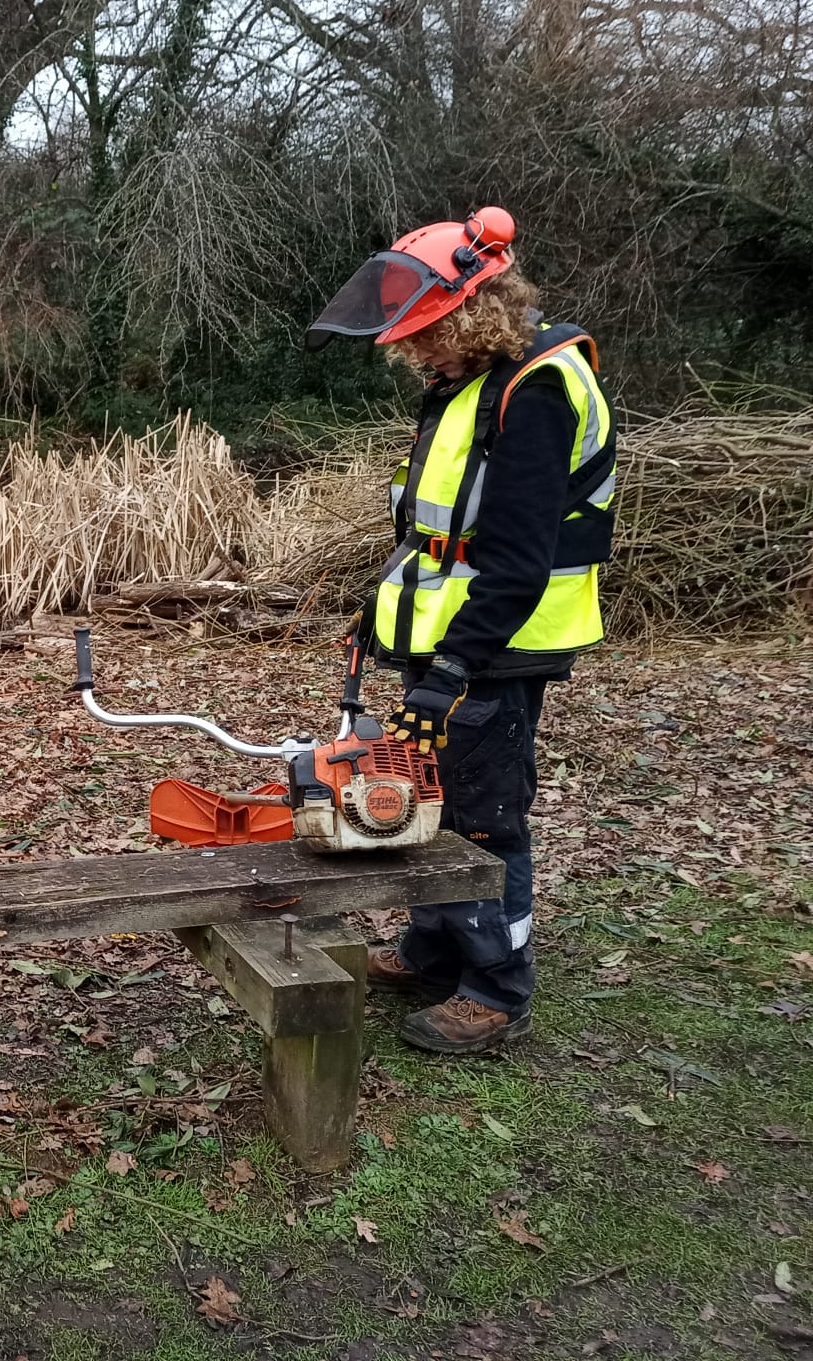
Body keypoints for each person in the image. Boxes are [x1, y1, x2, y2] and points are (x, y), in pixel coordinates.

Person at [307, 206, 615, 1053]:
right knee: (430, 799)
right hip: (450, 638)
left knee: (484, 818)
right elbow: (435, 530)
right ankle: (436, 948)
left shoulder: (537, 390)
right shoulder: (469, 385)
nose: (418, 354)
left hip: (496, 646)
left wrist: (451, 672)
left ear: (474, 311)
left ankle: (495, 987)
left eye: (429, 336)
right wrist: (385, 618)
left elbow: (515, 559)